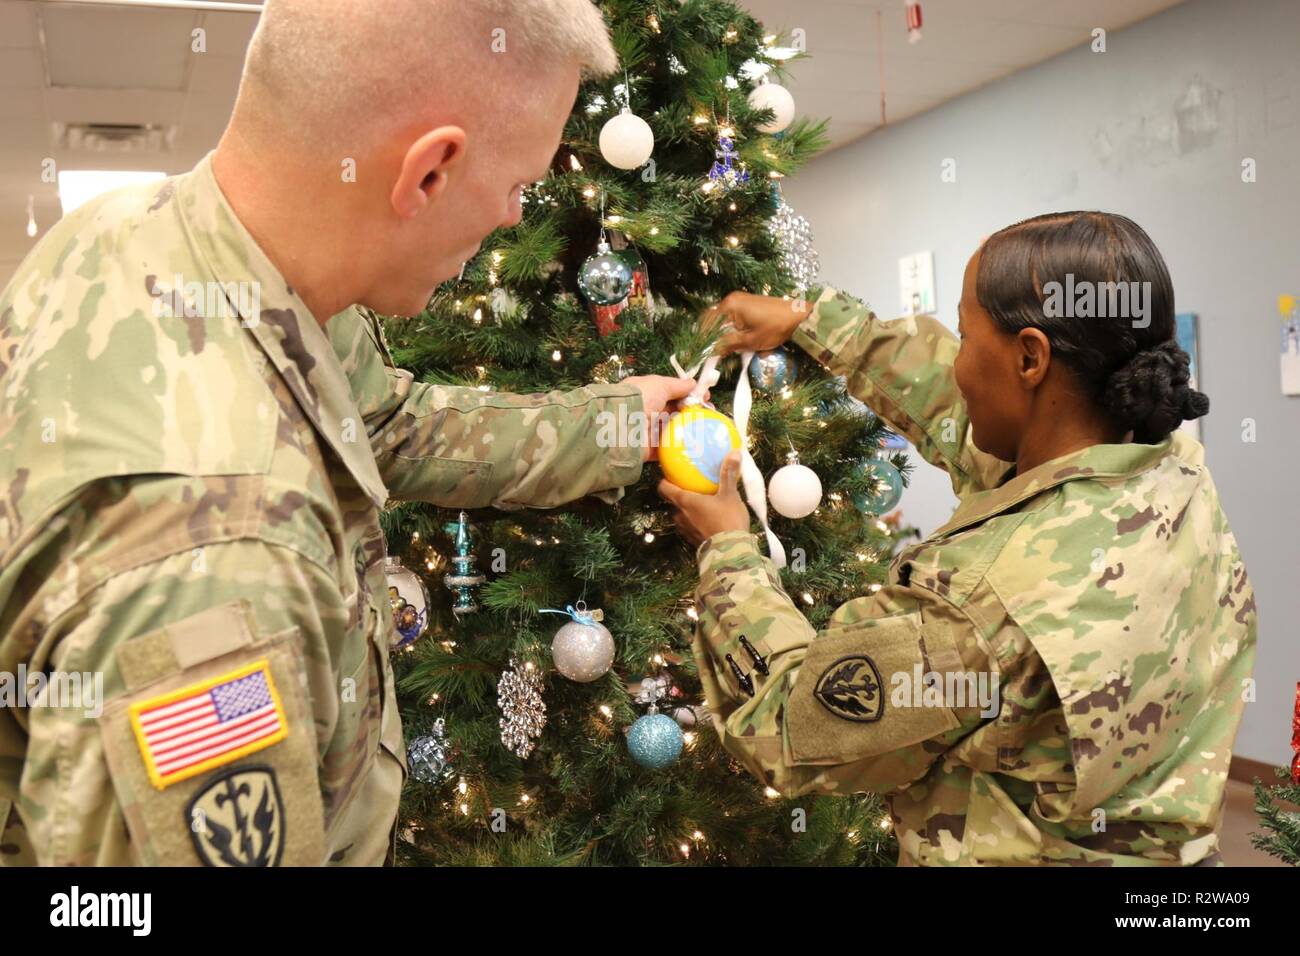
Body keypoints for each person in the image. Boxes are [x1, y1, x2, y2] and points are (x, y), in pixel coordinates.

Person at [0, 0, 693, 867]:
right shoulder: (221, 568)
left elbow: (386, 425)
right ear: (429, 172)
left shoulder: (147, 236)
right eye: (519, 185)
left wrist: (619, 422)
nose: (517, 219)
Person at [660, 211, 1257, 865]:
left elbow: (788, 726)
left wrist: (726, 551)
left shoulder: (984, 599)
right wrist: (811, 321)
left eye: (968, 334)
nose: (962, 365)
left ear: (1030, 357)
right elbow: (955, 402)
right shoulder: (1169, 472)